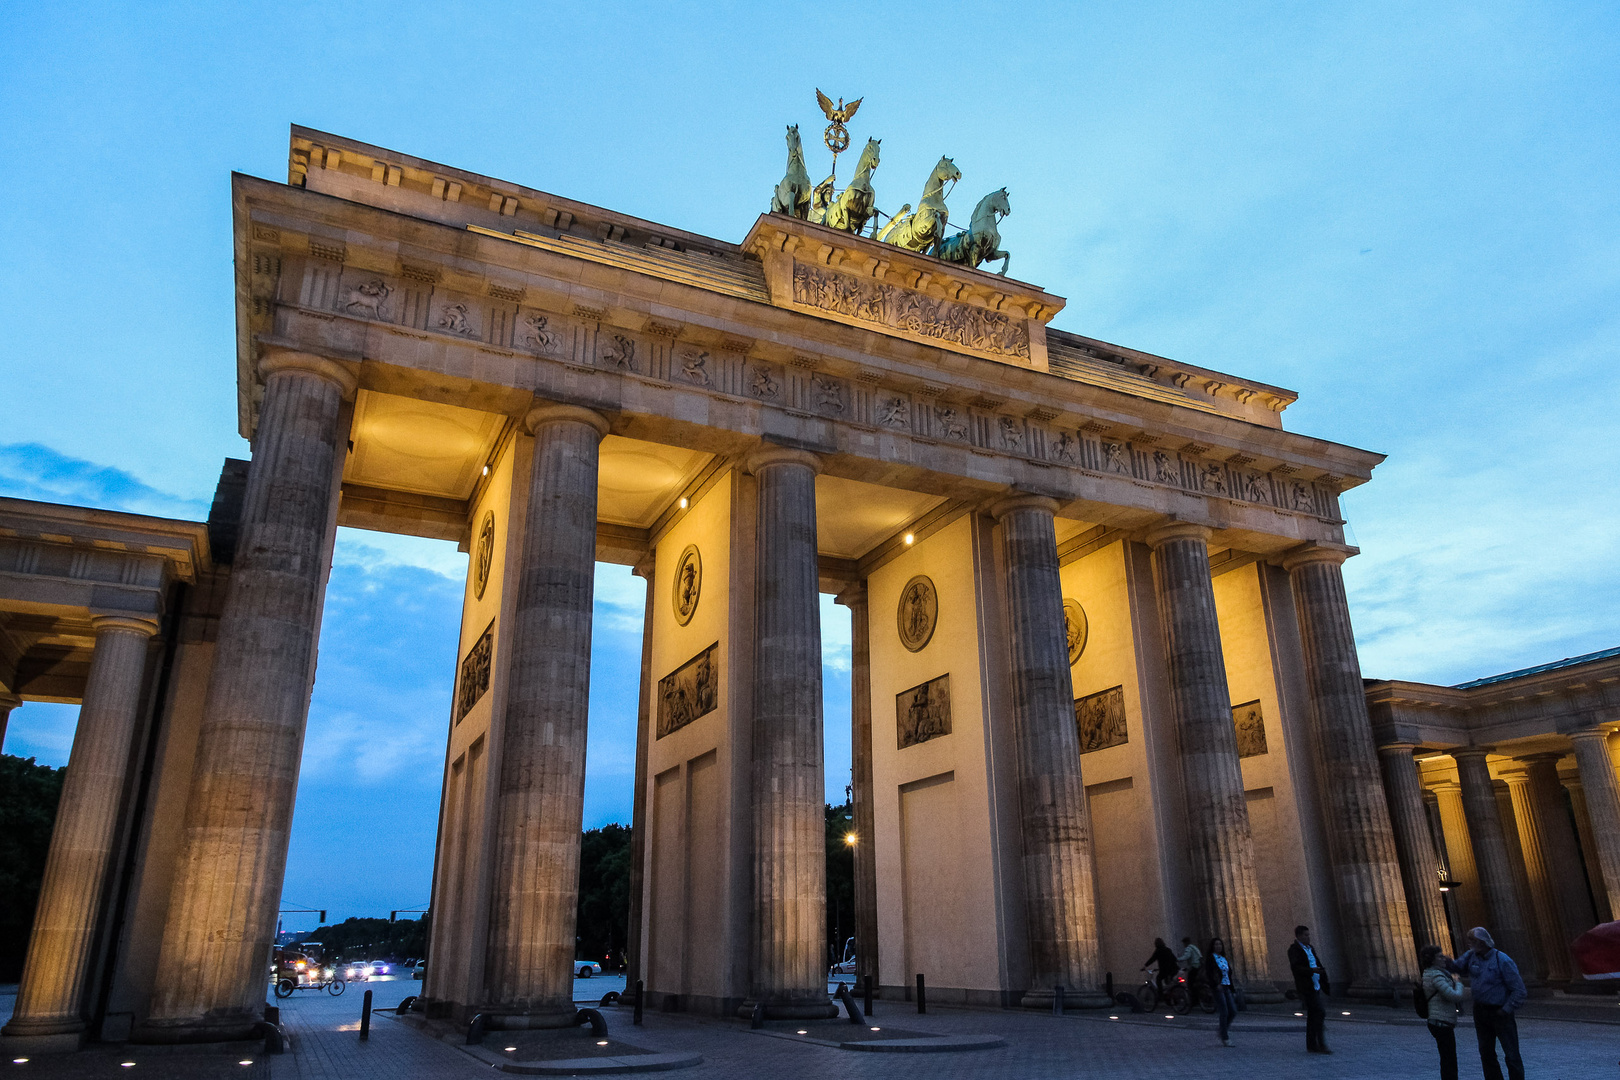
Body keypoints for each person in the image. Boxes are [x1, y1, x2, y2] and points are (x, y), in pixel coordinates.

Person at [1452, 927, 1526, 1080]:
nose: (1469, 944)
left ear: (1481, 942)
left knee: (1511, 1054)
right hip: (1480, 1011)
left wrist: (1506, 1009)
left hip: (1500, 1011)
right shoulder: (1471, 956)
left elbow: (1519, 990)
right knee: (1486, 1053)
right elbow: (1456, 966)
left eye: (1472, 940)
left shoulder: (1502, 960)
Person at [1419, 944, 1465, 1080]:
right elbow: (1454, 996)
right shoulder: (1436, 976)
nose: (1444, 958)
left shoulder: (1431, 973)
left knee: (1447, 1058)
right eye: (1440, 956)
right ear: (1432, 960)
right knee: (1449, 1060)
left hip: (1439, 1020)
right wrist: (1459, 984)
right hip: (1441, 1021)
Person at [1287, 924, 1331, 1054]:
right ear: (1299, 936)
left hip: (1315, 983)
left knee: (1313, 1015)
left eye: (1308, 935)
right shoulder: (1294, 950)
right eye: (1306, 935)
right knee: (1320, 1012)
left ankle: (1312, 1045)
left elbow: (1316, 962)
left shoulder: (1310, 948)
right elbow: (1296, 967)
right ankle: (1321, 1043)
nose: (1308, 937)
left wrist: (1322, 973)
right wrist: (1311, 971)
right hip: (1306, 986)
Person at [1205, 937, 1237, 1047]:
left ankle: (1222, 1029)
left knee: (1233, 1011)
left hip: (1226, 986)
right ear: (1213, 946)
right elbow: (1209, 973)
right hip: (1218, 987)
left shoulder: (1223, 958)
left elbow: (1228, 974)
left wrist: (1232, 989)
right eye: (1216, 944)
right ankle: (1225, 1037)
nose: (1218, 946)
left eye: (1220, 944)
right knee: (1224, 1011)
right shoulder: (1210, 958)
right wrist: (1215, 984)